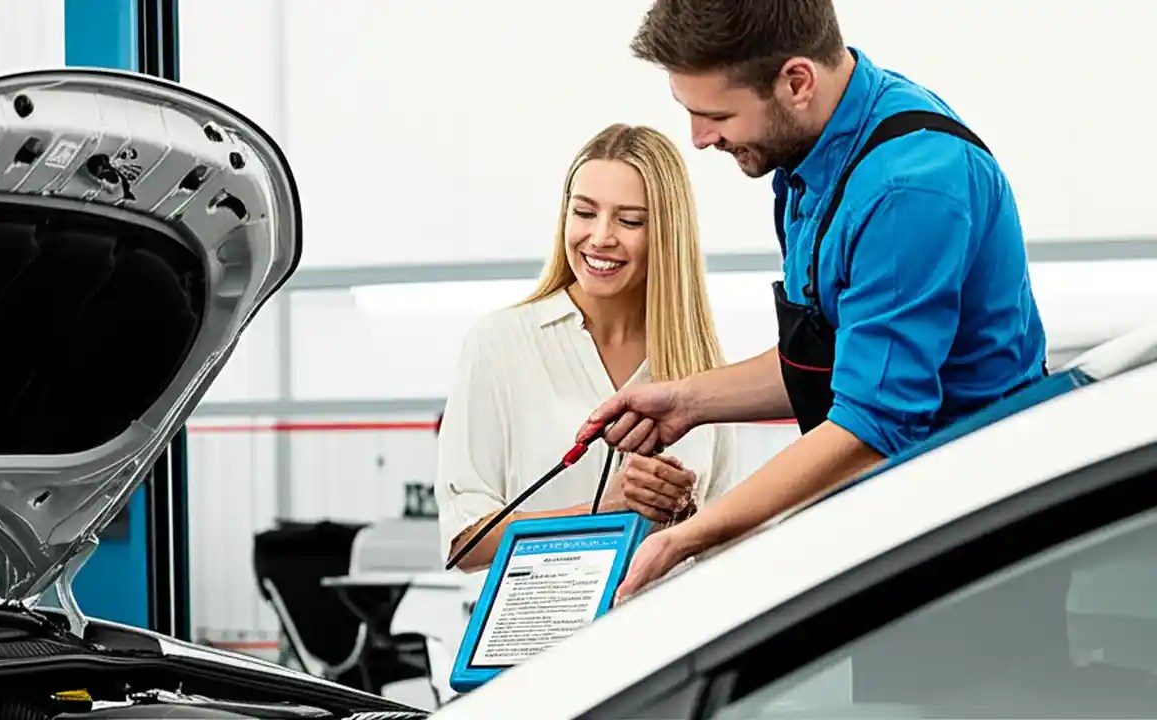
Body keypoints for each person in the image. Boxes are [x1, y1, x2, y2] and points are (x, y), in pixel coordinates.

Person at [582, 0, 1049, 599]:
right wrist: (688, 401)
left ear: (796, 81)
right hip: (902, 516)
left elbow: (871, 426)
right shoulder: (819, 153)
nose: (698, 140)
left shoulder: (908, 188)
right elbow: (842, 356)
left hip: (978, 551)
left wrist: (689, 537)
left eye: (715, 114)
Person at [435, 123, 740, 572]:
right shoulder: (500, 345)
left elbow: (721, 545)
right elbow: (464, 543)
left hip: (671, 636)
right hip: (545, 638)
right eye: (584, 213)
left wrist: (681, 514)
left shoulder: (701, 367)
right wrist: (601, 513)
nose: (600, 237)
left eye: (630, 220)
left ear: (668, 234)